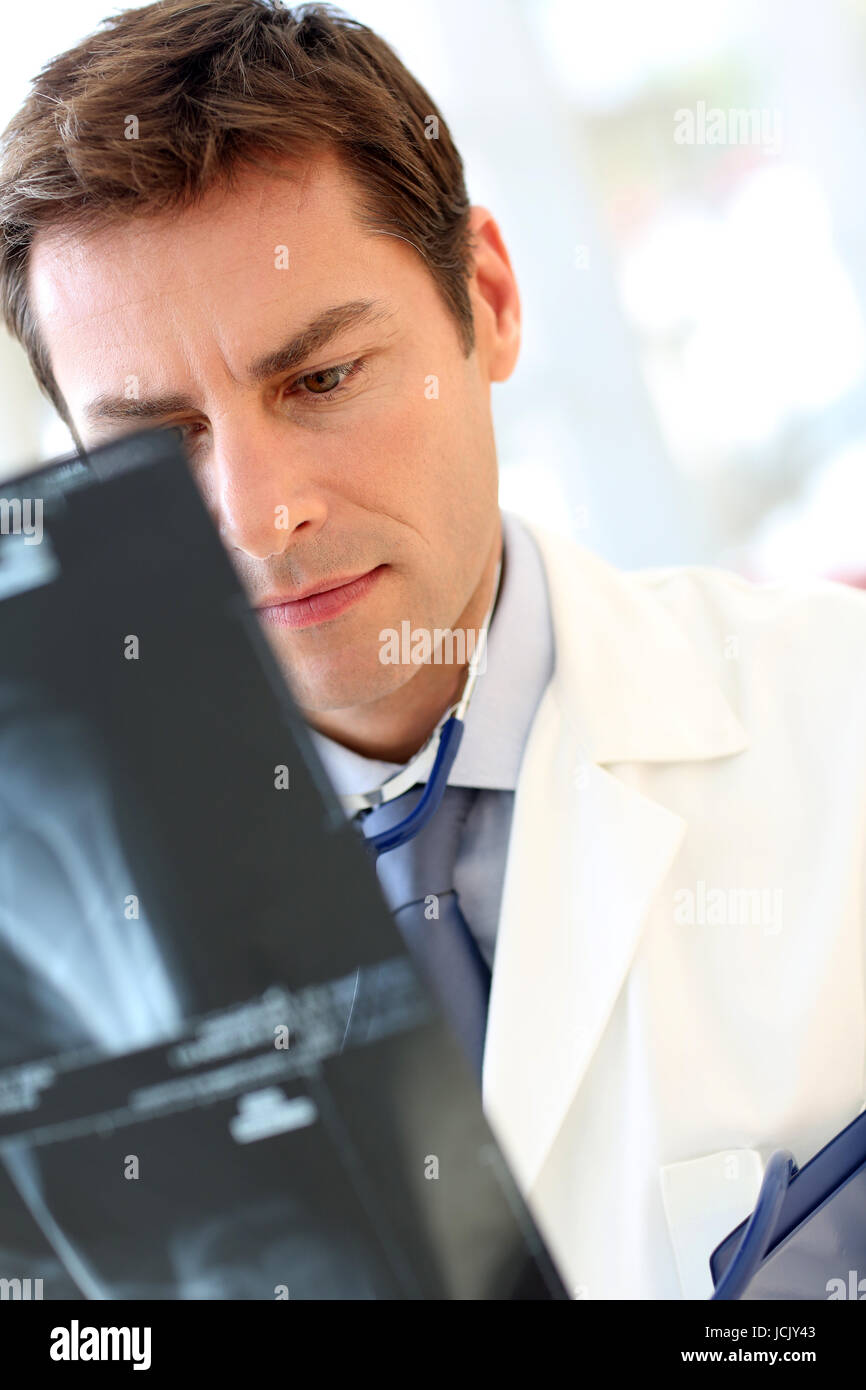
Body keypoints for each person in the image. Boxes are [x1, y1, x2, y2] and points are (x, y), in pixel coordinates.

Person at [1, 0, 865, 1301]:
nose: (257, 515)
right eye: (150, 438)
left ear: (491, 300)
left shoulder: (835, 712)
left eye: (320, 378)